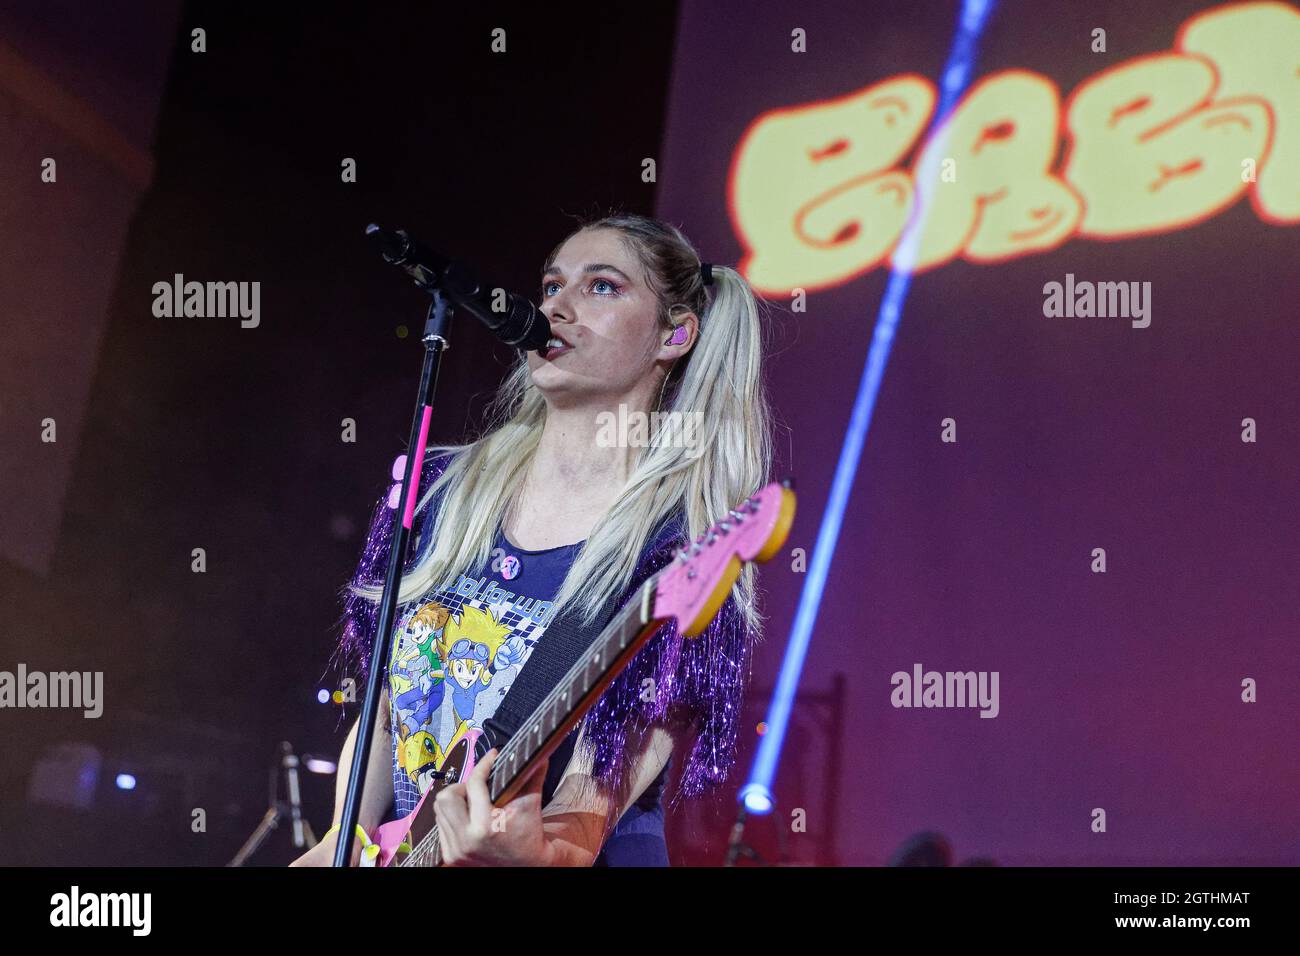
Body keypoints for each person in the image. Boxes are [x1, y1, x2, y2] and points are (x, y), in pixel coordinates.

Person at [292, 213, 773, 866]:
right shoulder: (442, 491)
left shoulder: (670, 550)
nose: (556, 307)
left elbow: (585, 818)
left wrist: (533, 857)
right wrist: (340, 841)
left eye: (602, 286)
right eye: (551, 286)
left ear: (675, 334)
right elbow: (383, 709)